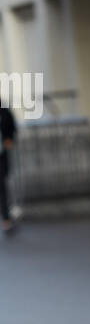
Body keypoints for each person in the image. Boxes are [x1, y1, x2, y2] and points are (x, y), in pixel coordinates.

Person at [1, 101, 17, 235]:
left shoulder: (3, 109)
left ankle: (6, 219)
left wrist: (9, 138)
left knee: (2, 188)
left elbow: (11, 126)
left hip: (1, 155)